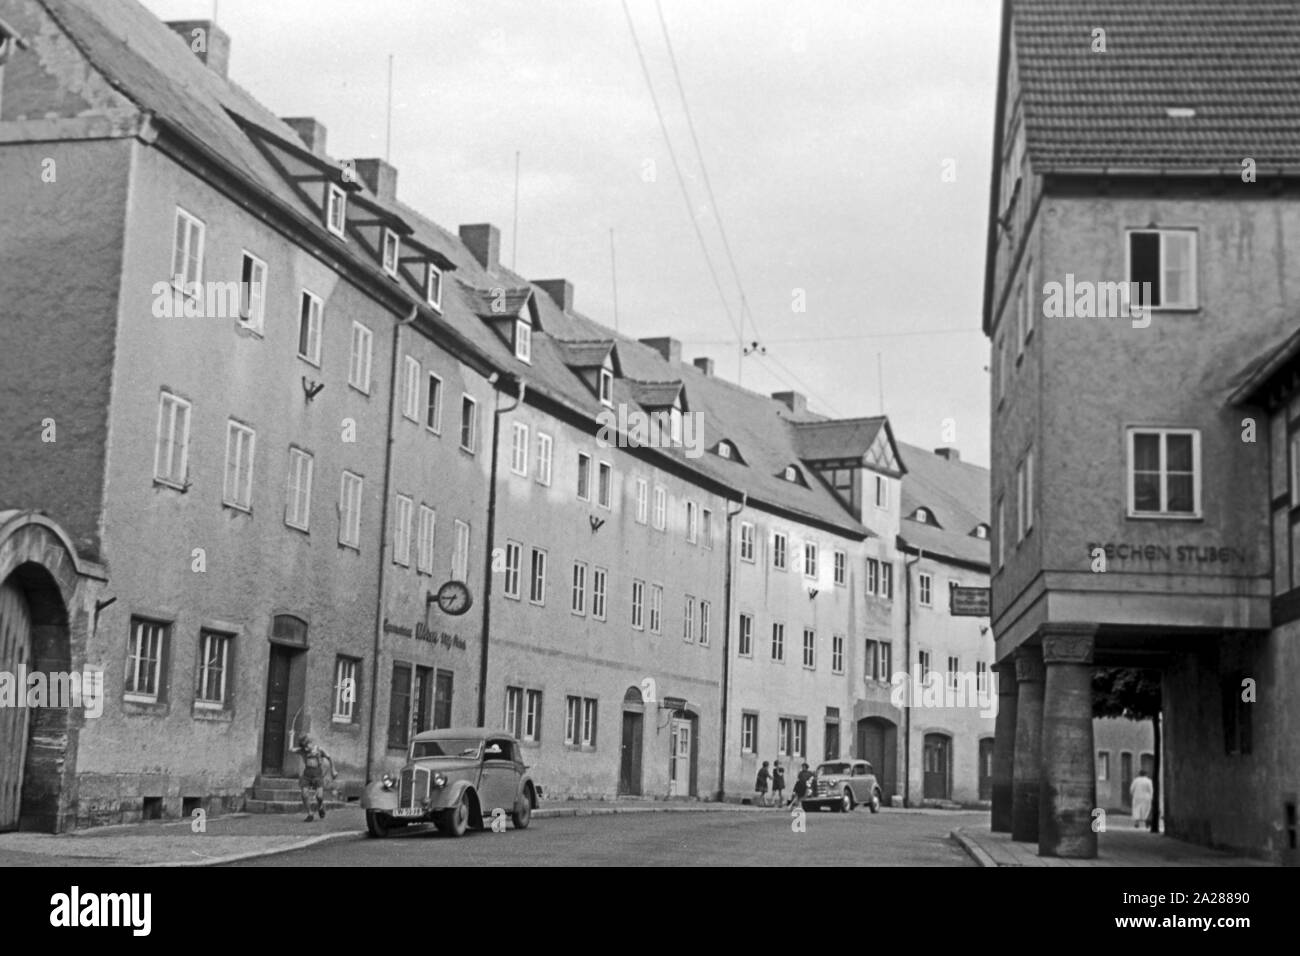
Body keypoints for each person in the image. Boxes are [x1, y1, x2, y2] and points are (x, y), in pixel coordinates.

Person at [295, 733, 337, 822]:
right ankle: (310, 813)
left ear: (310, 743)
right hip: (307, 775)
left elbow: (329, 758)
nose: (306, 748)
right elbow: (291, 749)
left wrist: (333, 770)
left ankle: (320, 806)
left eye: (307, 745)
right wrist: (291, 736)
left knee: (319, 797)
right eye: (304, 746)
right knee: (304, 794)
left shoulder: (319, 750)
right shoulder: (303, 751)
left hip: (318, 775)